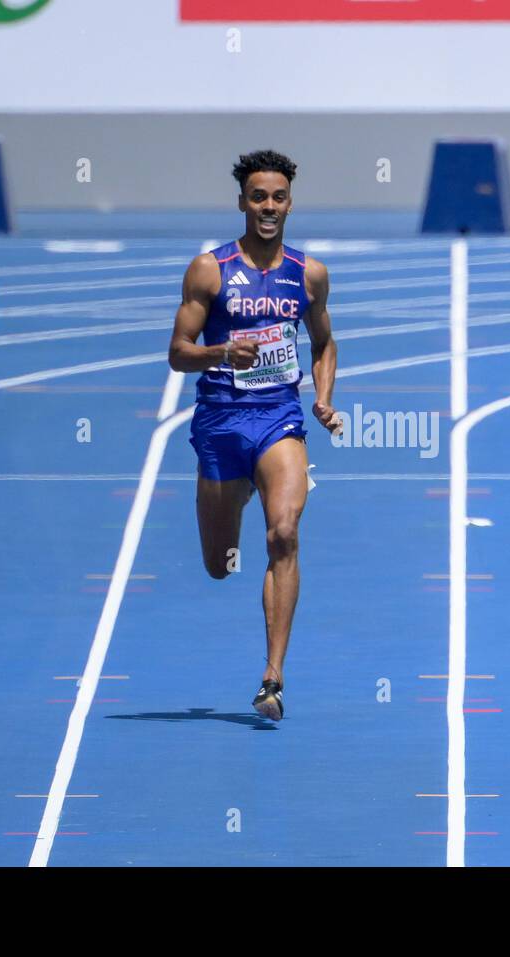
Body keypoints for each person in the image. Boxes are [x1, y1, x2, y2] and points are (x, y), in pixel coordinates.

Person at [168, 150, 339, 722]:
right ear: (243, 202)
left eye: (279, 197)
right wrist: (220, 351)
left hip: (278, 416)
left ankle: (273, 677)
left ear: (290, 202)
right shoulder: (209, 270)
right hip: (220, 421)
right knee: (220, 564)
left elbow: (324, 343)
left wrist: (323, 398)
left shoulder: (307, 273)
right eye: (259, 197)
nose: (269, 206)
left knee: (284, 534)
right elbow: (177, 354)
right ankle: (235, 488)